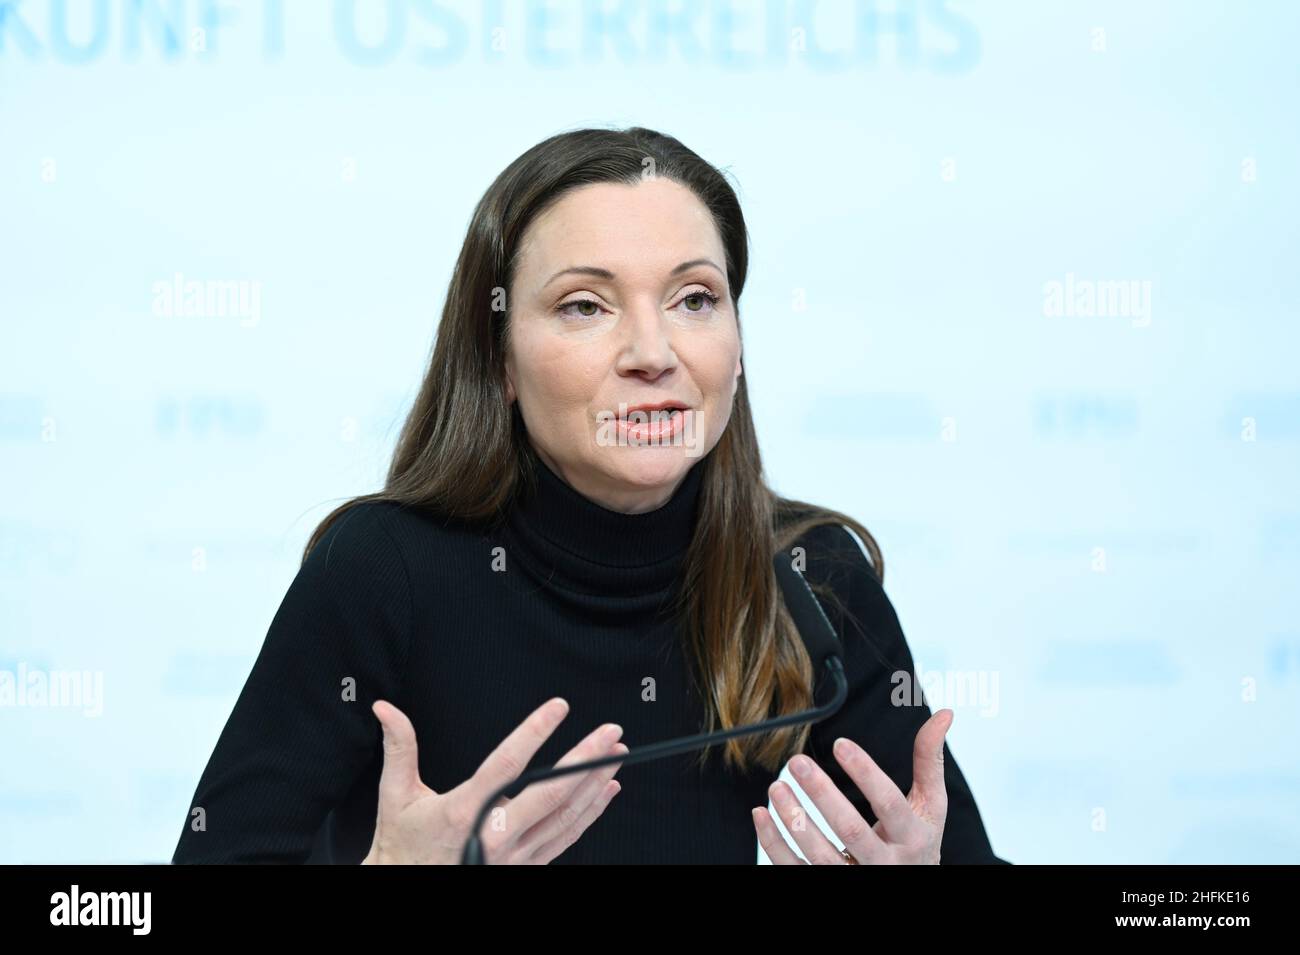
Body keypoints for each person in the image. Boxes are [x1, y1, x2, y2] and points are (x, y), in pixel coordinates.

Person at [171, 126, 1008, 865]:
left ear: (739, 348)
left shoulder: (808, 578)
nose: (654, 351)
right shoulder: (384, 571)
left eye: (694, 299)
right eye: (584, 305)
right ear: (497, 360)